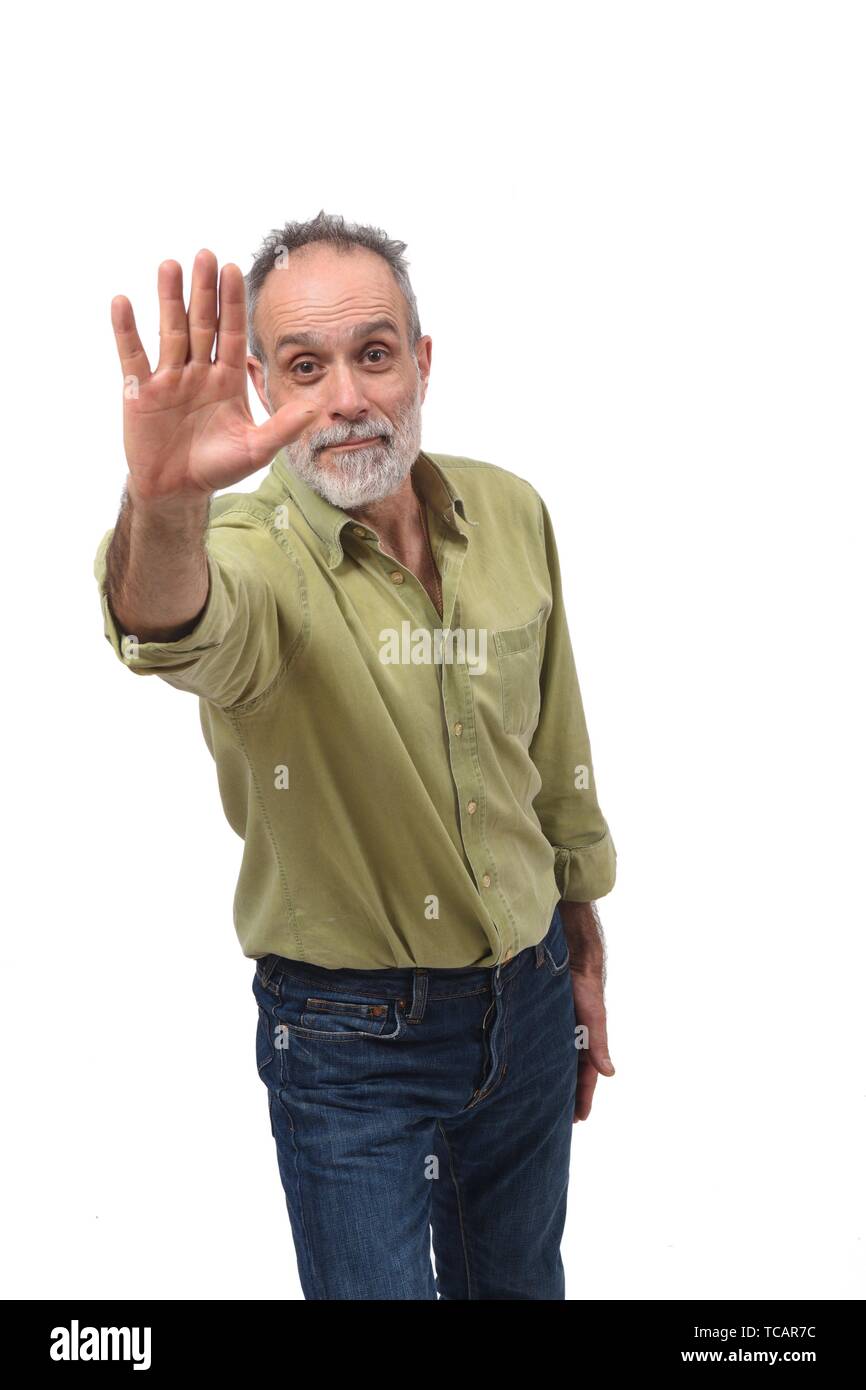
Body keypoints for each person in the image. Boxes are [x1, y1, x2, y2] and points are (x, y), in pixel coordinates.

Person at [93, 210, 617, 1300]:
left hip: (525, 1002)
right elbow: (173, 622)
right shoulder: (247, 554)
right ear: (258, 384)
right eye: (302, 366)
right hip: (348, 1041)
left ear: (419, 362)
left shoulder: (510, 512)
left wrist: (577, 937)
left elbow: (553, 746)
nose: (343, 398)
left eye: (372, 354)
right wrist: (167, 500)